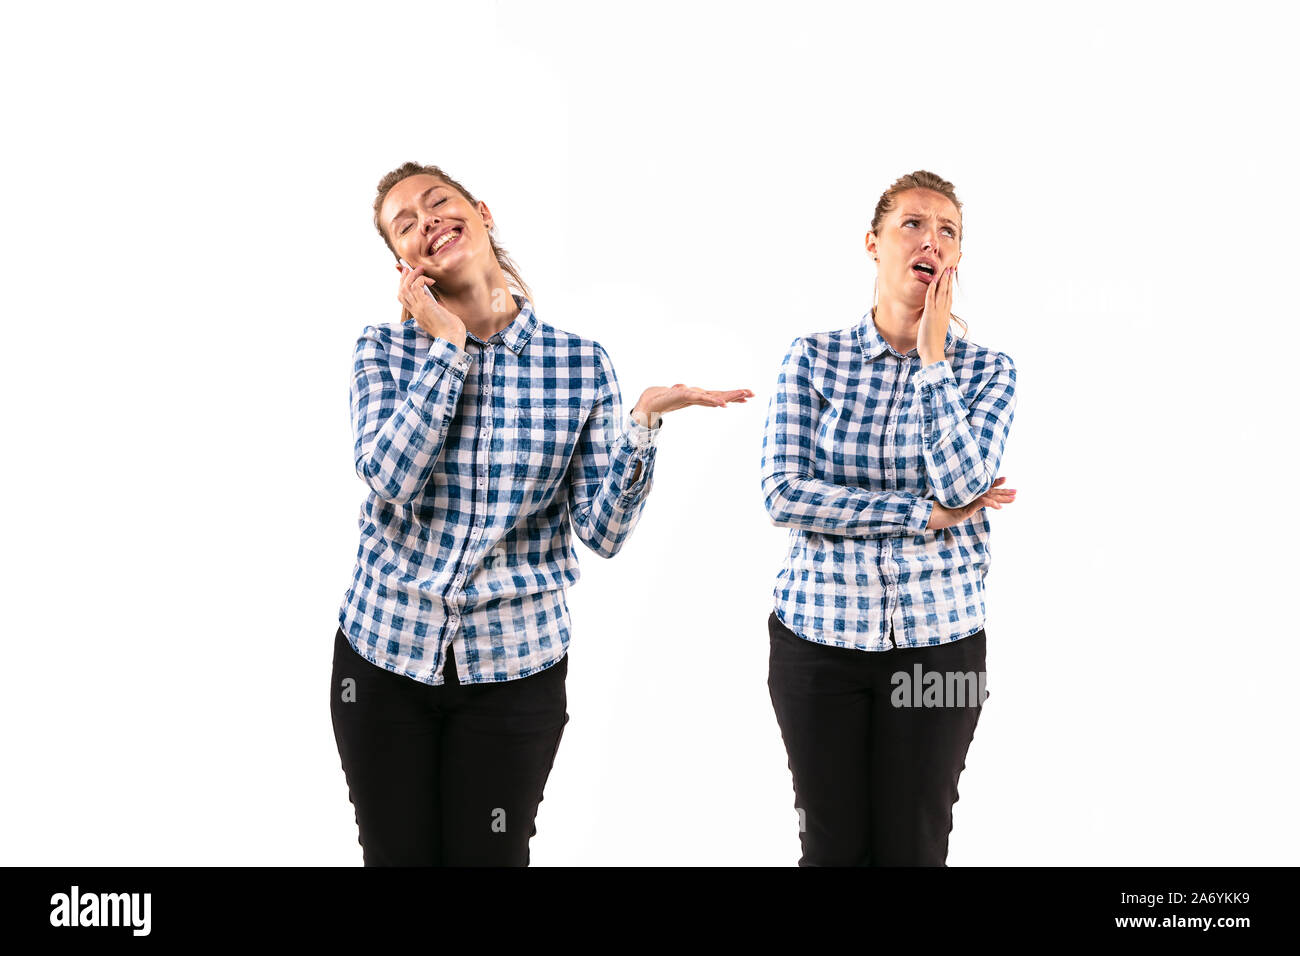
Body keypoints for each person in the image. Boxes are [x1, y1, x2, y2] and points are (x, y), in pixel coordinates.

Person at [332, 162, 752, 866]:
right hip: (382, 661)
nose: (427, 219)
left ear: (482, 213)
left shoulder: (578, 364)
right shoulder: (383, 351)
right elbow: (389, 478)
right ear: (404, 264)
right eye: (406, 224)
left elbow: (603, 533)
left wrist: (643, 424)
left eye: (438, 203)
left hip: (514, 674)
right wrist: (448, 350)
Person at [760, 170, 1018, 866]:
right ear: (873, 243)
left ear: (958, 258)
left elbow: (964, 483)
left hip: (944, 642)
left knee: (915, 844)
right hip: (817, 643)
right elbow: (783, 494)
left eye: (948, 231)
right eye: (913, 223)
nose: (930, 239)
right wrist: (922, 515)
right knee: (832, 846)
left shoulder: (988, 371)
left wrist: (933, 359)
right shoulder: (812, 359)